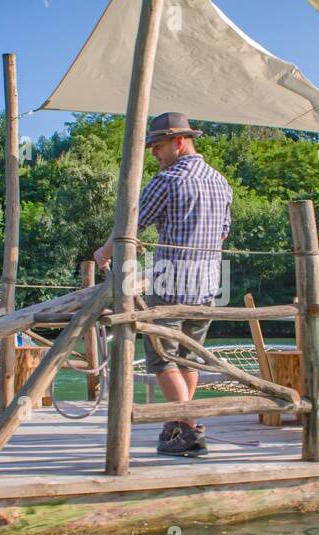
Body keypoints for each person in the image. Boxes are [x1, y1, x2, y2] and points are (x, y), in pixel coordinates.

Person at [93, 112, 231, 458]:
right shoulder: (220, 181)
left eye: (157, 145)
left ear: (179, 141)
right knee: (188, 359)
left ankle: (189, 426)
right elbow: (224, 233)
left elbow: (130, 226)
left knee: (161, 360)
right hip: (210, 285)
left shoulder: (168, 180)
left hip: (171, 283)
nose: (154, 152)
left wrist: (103, 253)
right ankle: (177, 424)